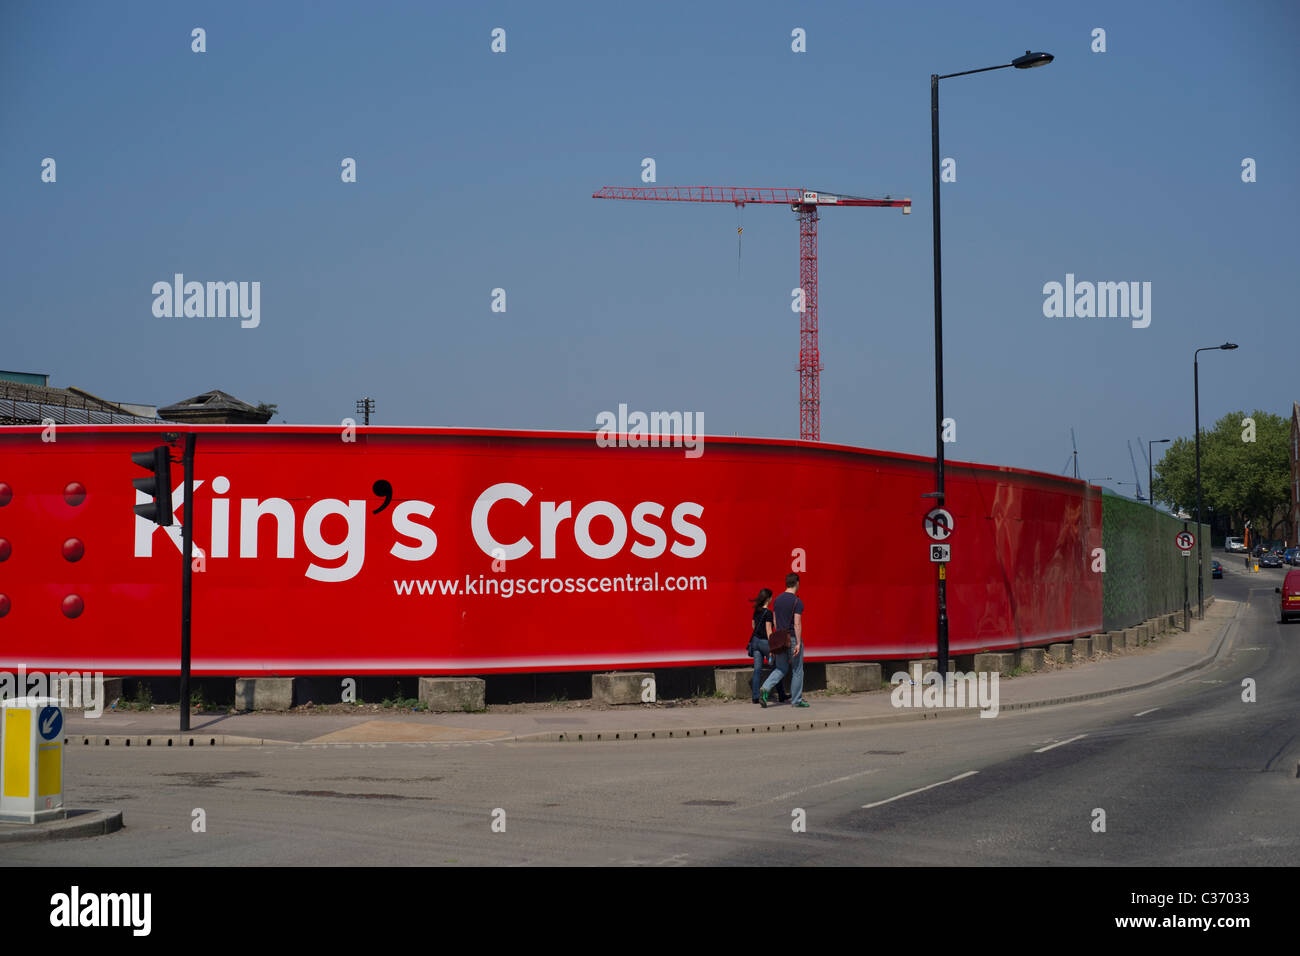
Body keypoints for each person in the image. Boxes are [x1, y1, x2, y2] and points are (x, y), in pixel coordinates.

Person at [760, 572, 807, 707]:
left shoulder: (777, 600)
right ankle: (796, 700)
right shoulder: (797, 601)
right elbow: (797, 623)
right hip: (792, 638)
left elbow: (775, 620)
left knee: (781, 668)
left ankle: (766, 687)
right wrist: (798, 642)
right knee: (797, 669)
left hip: (780, 639)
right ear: (797, 583)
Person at [746, 589, 787, 703]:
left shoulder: (756, 611)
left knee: (757, 670)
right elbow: (769, 630)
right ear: (768, 598)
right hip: (765, 642)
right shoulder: (768, 613)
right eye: (771, 597)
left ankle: (755, 697)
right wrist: (772, 646)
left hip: (755, 642)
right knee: (776, 668)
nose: (772, 599)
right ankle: (781, 694)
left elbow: (753, 625)